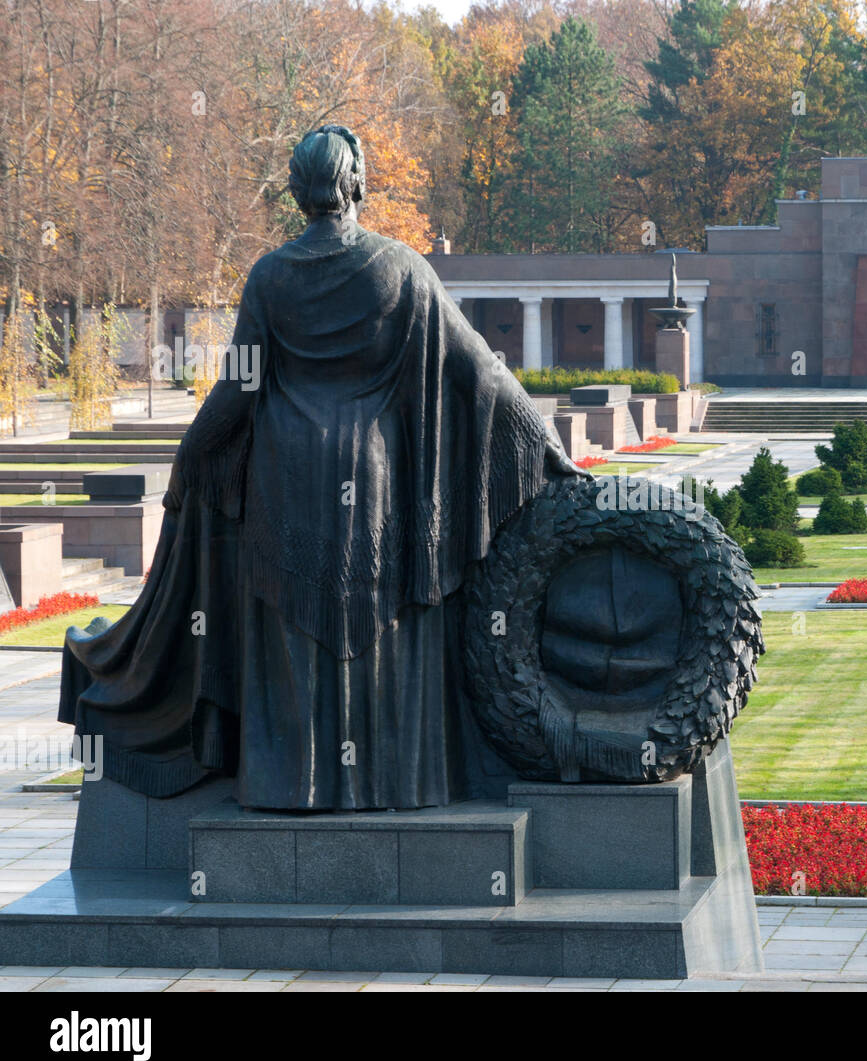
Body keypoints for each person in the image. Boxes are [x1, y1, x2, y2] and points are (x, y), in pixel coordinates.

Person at [58, 124, 583, 810]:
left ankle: (287, 783)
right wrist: (544, 447)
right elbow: (482, 373)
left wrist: (193, 454)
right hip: (376, 480)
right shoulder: (401, 269)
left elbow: (238, 388)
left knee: (293, 627)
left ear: (299, 191)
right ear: (355, 183)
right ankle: (390, 781)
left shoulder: (272, 277)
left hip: (286, 476)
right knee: (377, 619)